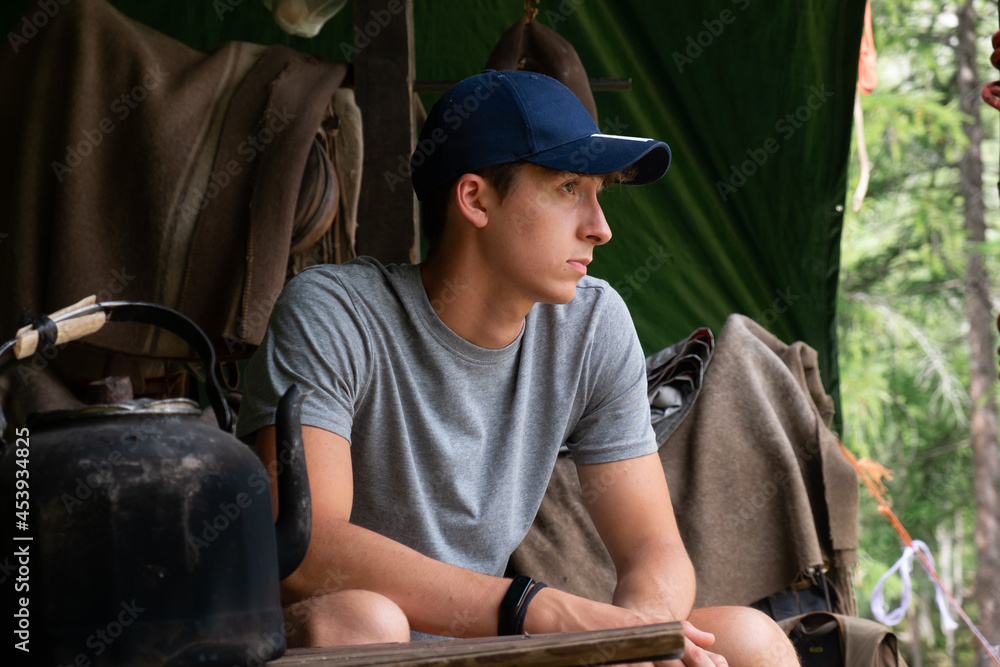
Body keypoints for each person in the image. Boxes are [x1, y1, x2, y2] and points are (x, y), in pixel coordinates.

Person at [237, 70, 800, 667]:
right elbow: (306, 546)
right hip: (369, 646)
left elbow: (651, 548)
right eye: (567, 189)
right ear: (476, 198)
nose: (600, 227)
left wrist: (639, 638)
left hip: (490, 649)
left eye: (599, 192)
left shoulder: (592, 326)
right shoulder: (335, 312)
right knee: (360, 619)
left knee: (751, 640)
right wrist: (541, 610)